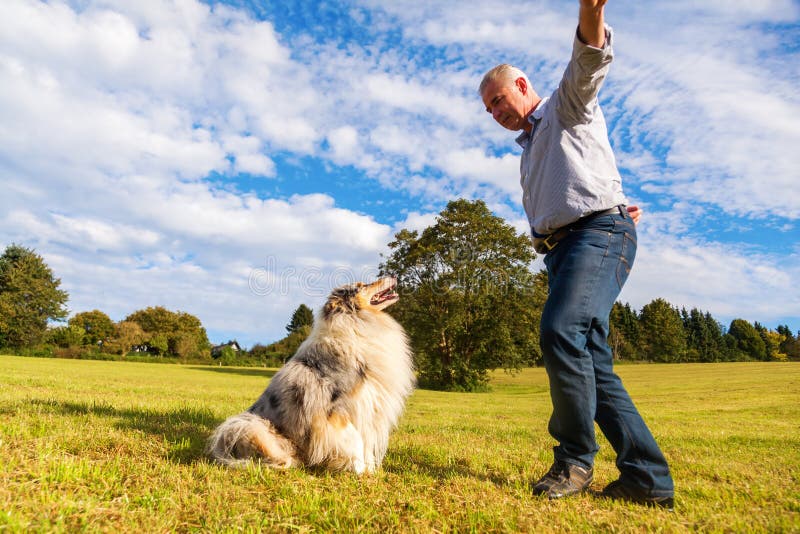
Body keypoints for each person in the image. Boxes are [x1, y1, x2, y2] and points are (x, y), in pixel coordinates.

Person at [478, 0, 674, 508]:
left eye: (499, 100)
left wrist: (591, 8)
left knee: (560, 330)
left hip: (597, 237)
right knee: (592, 364)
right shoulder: (529, 151)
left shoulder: (565, 105)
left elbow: (589, 58)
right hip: (568, 251)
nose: (497, 114)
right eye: (490, 111)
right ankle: (646, 479)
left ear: (521, 86)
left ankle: (573, 460)